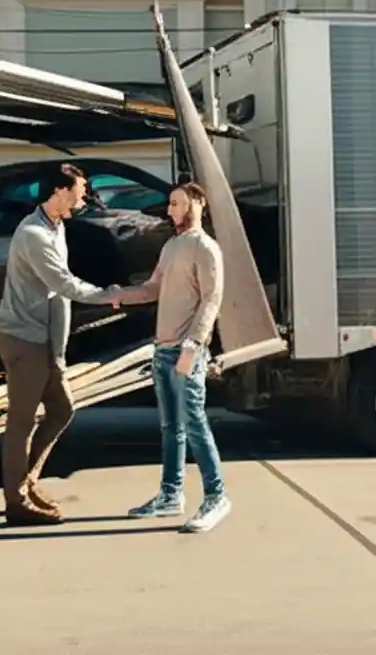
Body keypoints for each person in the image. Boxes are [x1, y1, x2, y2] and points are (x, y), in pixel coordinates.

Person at [0, 162, 121, 526]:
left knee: (63, 409)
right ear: (60, 191)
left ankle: (27, 481)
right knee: (21, 422)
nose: (84, 197)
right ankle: (16, 503)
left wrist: (59, 351)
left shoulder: (56, 227)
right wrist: (115, 295)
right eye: (80, 190)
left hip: (45, 340)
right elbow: (65, 285)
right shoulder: (33, 234)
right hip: (24, 338)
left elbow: (56, 295)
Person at [111, 181, 232, 533]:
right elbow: (153, 288)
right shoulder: (171, 246)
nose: (170, 210)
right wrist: (121, 295)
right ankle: (170, 495)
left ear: (197, 202)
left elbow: (212, 299)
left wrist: (193, 346)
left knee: (194, 423)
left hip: (186, 351)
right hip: (163, 349)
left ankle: (216, 497)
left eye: (177, 203)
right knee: (171, 428)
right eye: (170, 204)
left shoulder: (206, 248)